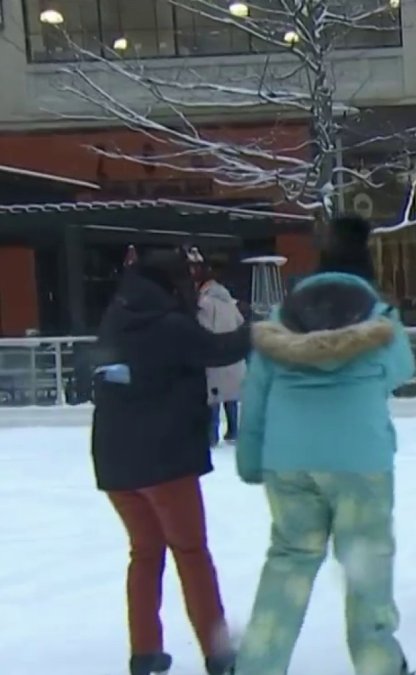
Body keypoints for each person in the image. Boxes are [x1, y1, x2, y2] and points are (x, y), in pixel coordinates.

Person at [235, 215, 416, 675]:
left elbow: (255, 393)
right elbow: (402, 371)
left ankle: (258, 665)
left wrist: (251, 459)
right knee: (366, 569)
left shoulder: (282, 320)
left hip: (288, 463)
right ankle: (379, 666)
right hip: (360, 463)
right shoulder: (380, 317)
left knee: (289, 563)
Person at [90, 248, 250, 675]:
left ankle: (145, 653)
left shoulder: (116, 317)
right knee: (191, 552)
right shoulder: (170, 325)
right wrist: (259, 327)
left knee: (144, 553)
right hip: (164, 462)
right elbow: (223, 349)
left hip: (114, 461)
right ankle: (219, 653)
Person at [195, 256, 246, 445]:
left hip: (215, 353)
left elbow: (203, 327)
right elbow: (240, 322)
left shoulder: (206, 302)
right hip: (233, 355)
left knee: (213, 396)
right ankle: (233, 431)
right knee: (230, 396)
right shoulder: (228, 302)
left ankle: (212, 434)